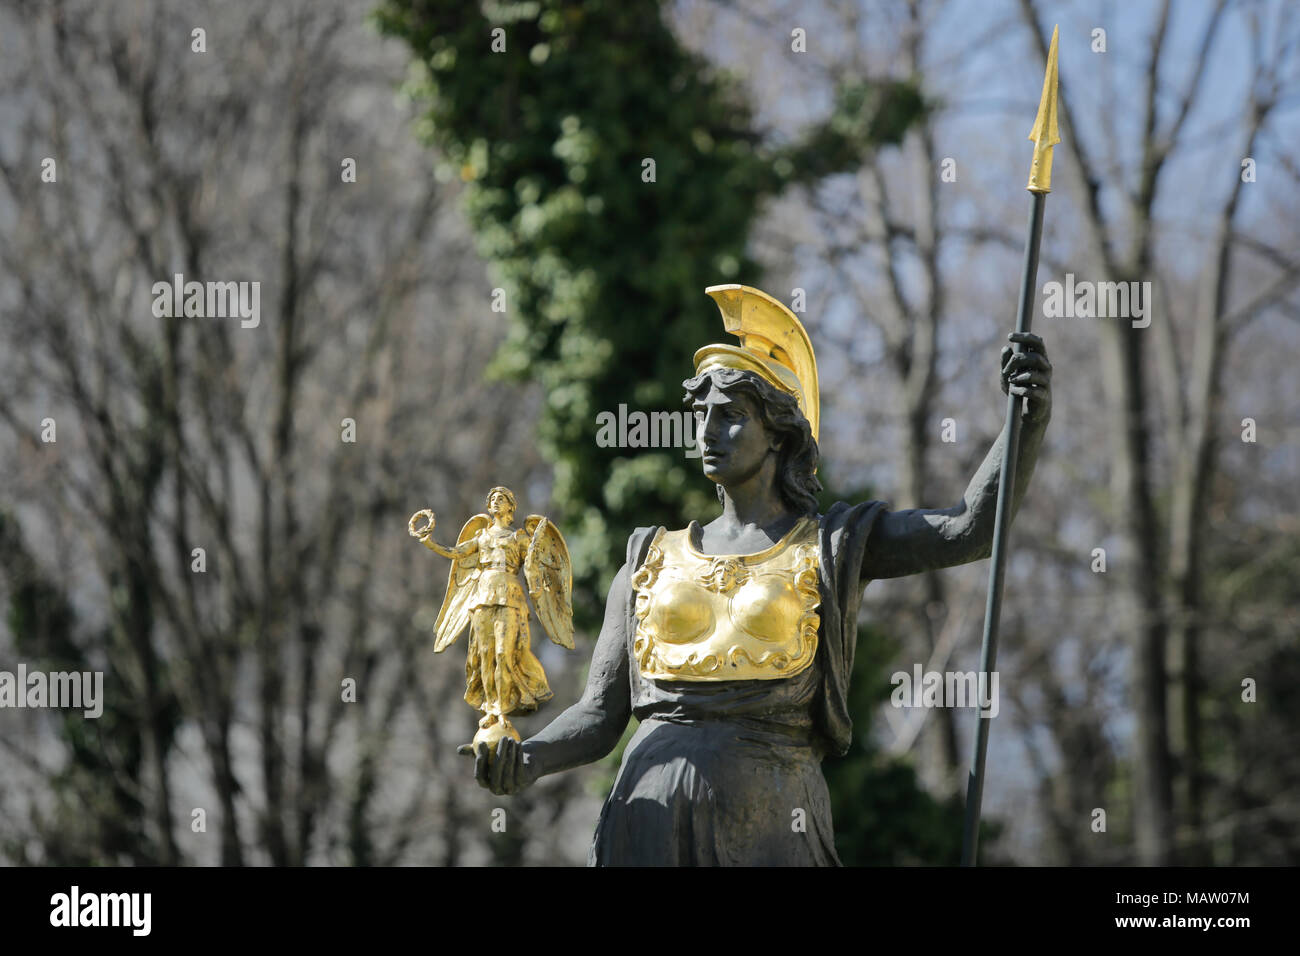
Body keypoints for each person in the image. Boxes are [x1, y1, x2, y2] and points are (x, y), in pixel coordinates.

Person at [464, 285, 1051, 865]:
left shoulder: (833, 545)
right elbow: (598, 714)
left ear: (778, 431)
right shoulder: (650, 559)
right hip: (644, 818)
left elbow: (971, 529)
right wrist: (529, 756)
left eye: (732, 417)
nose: (709, 433)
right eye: (702, 417)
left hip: (774, 822)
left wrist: (1024, 419)